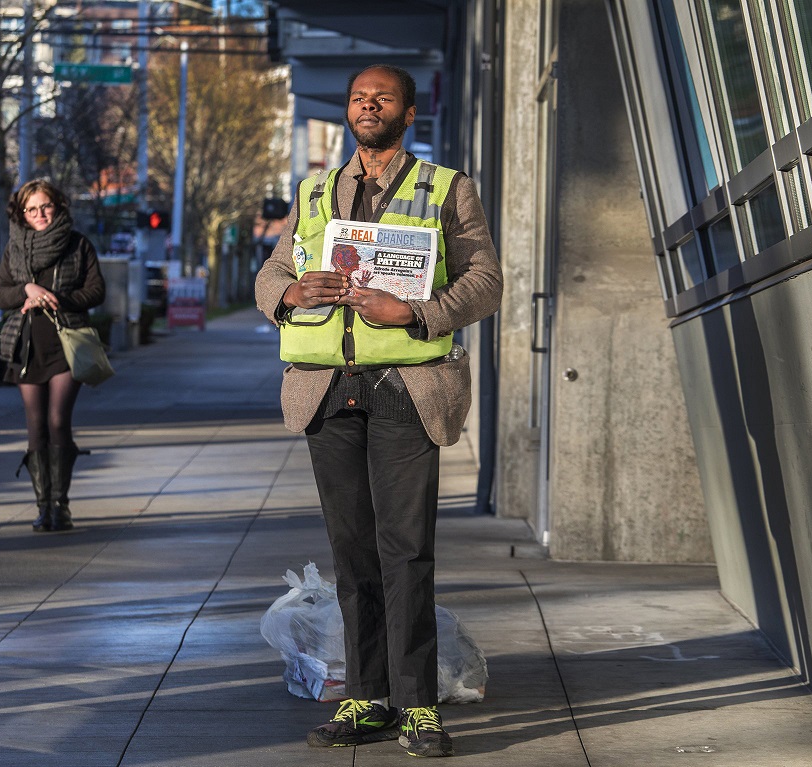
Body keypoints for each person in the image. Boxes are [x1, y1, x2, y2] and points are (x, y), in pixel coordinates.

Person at [255, 64, 503, 758]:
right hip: (328, 388)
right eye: (359, 96)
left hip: (405, 383)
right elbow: (270, 274)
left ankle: (417, 702)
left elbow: (486, 281)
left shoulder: (447, 189)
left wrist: (417, 311)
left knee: (406, 550)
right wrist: (293, 293)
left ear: (408, 112)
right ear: (348, 111)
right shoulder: (315, 191)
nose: (368, 103)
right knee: (352, 552)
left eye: (382, 97)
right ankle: (365, 697)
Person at [0, 179, 105, 533]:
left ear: (57, 207)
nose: (40, 214)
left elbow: (96, 290)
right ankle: (43, 506)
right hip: (27, 345)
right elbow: (1, 295)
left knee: (58, 420)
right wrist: (27, 289)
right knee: (35, 425)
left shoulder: (77, 244)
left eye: (46, 207)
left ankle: (61, 505)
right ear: (21, 213)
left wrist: (57, 297)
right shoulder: (15, 248)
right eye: (32, 209)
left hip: (67, 342)